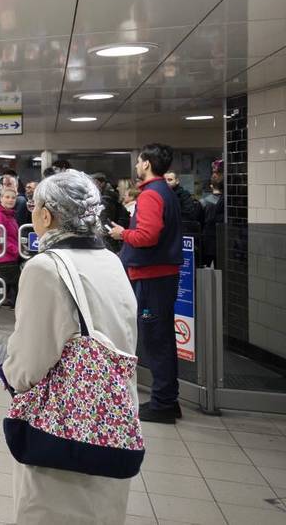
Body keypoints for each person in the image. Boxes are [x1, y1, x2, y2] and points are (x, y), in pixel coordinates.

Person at [2, 170, 138, 525]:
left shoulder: (46, 268)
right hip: (111, 420)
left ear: (46, 215)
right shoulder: (112, 261)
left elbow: (29, 363)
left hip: (64, 429)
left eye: (34, 208)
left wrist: (14, 379)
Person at [109, 143, 183, 424]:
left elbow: (147, 236)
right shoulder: (165, 192)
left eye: (140, 162)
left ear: (148, 164)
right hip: (160, 275)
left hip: (152, 277)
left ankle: (163, 403)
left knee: (156, 340)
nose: (137, 166)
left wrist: (122, 233)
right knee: (161, 337)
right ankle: (168, 399)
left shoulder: (151, 195)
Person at [0, 188, 22, 309]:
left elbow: (13, 236)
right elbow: (0, 238)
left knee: (3, 289)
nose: (10, 200)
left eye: (13, 198)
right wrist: (16, 250)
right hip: (4, 258)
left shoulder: (10, 215)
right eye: (7, 197)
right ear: (1, 198)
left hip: (9, 257)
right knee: (19, 286)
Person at [92, 172, 129, 253]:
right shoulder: (109, 198)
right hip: (116, 242)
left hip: (112, 245)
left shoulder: (106, 200)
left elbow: (106, 225)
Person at [200, 174, 223, 267]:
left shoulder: (203, 202)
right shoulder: (227, 203)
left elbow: (198, 221)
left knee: (206, 268)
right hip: (222, 239)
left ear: (211, 186)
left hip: (207, 239)